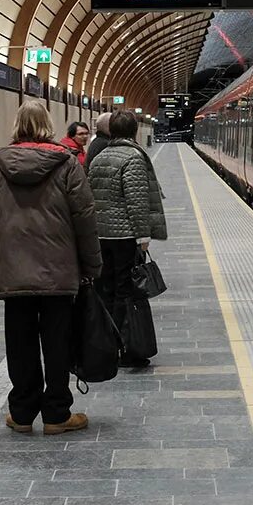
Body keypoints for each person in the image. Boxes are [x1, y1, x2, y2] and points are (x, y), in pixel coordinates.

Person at [0, 101, 102, 435]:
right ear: (48, 125)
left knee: (19, 342)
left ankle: (22, 413)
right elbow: (84, 218)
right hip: (59, 272)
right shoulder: (68, 164)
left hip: (13, 271)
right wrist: (91, 264)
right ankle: (57, 414)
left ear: (16, 125)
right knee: (58, 342)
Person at [87, 109, 167, 367]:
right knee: (126, 291)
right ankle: (128, 347)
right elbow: (136, 200)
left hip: (101, 236)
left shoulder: (100, 156)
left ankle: (107, 346)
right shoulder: (132, 157)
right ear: (134, 131)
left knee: (105, 289)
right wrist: (143, 235)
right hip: (124, 237)